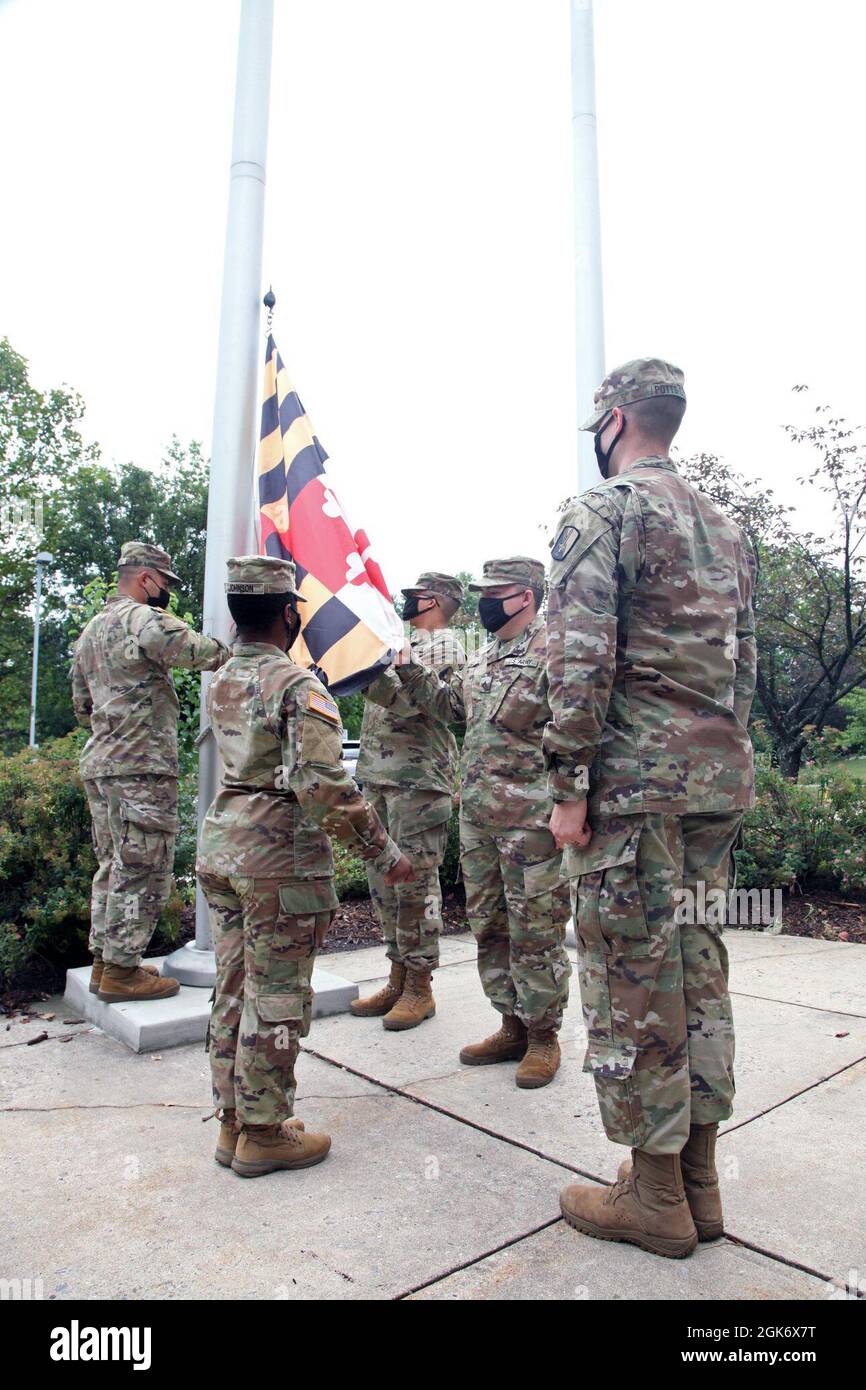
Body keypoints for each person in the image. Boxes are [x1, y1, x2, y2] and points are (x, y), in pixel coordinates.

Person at [544, 359, 757, 1258]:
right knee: (698, 969)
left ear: (615, 420)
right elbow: (743, 661)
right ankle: (701, 1188)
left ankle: (655, 1198)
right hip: (713, 784)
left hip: (632, 788)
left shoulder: (605, 510)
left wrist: (567, 788)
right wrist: (722, 756)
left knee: (633, 982)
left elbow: (582, 659)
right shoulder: (727, 526)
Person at [197, 555, 413, 1179]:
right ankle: (265, 1133)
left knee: (234, 987)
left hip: (224, 849)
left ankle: (233, 1121)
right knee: (279, 995)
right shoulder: (297, 685)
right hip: (278, 858)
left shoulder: (220, 678)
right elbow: (321, 784)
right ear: (289, 614)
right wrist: (382, 852)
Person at [392, 558, 572, 1088]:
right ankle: (510, 1023)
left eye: (497, 592)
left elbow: (577, 729)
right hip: (479, 818)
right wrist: (408, 669)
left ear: (527, 596)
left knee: (535, 930)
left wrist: (570, 799)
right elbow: (452, 708)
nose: (484, 601)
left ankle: (544, 1036)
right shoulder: (483, 658)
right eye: (483, 592)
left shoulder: (553, 651)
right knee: (489, 925)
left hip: (531, 821)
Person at [71, 541, 229, 1003]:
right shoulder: (141, 619)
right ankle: (122, 972)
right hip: (140, 767)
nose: (167, 593)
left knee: (113, 866)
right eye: (165, 583)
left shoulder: (91, 631)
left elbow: (82, 704)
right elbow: (197, 650)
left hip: (101, 763)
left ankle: (105, 962)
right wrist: (229, 647)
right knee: (144, 868)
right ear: (145, 578)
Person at [351, 572, 465, 1030]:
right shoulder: (402, 642)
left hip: (417, 783)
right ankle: (397, 973)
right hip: (380, 778)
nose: (406, 602)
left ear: (434, 600)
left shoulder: (444, 647)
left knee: (415, 883)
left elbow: (407, 702)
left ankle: (420, 983)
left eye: (413, 596)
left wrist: (359, 669)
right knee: (382, 881)